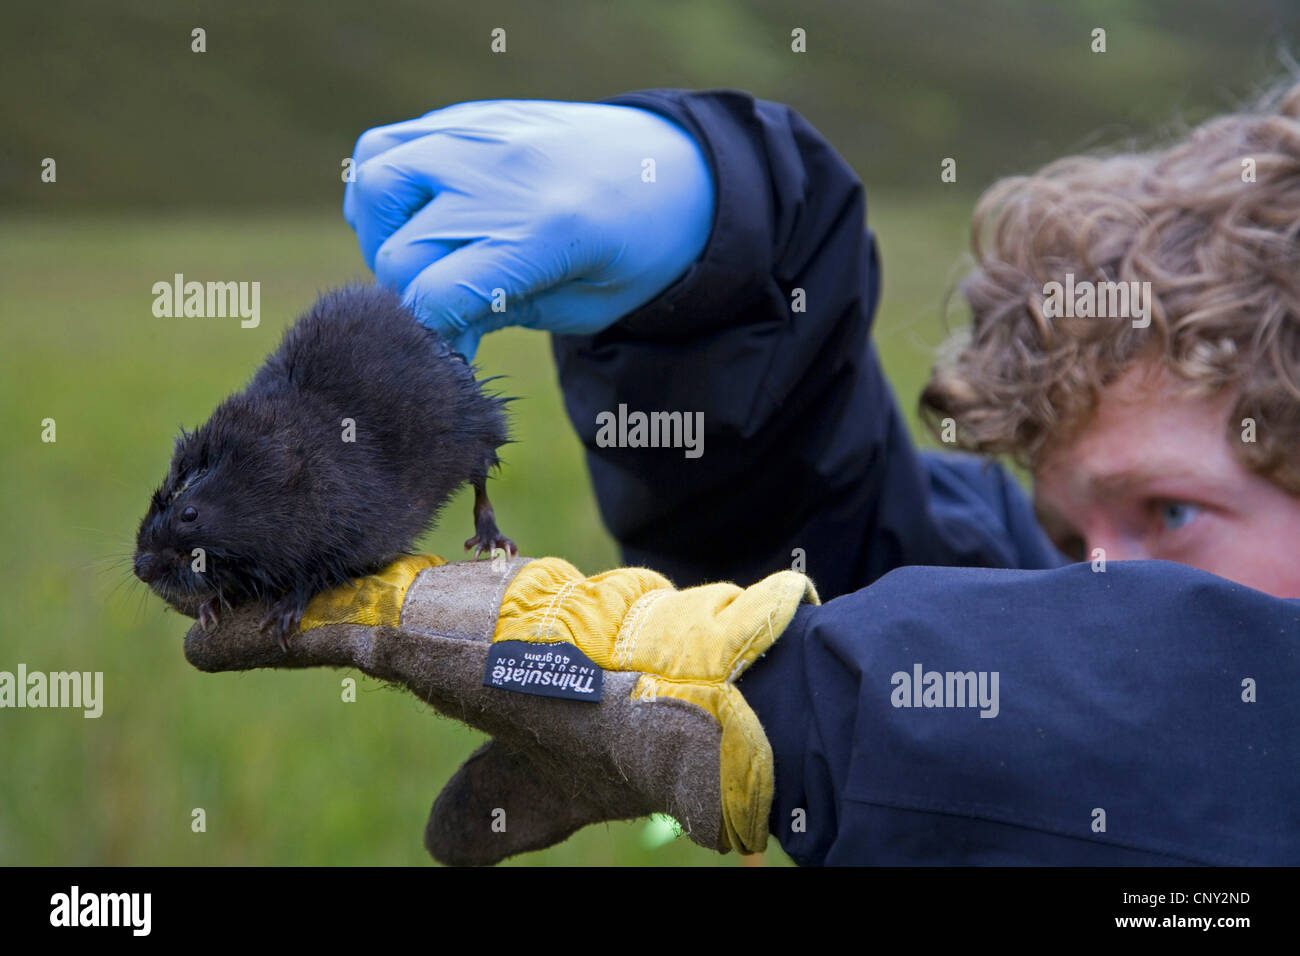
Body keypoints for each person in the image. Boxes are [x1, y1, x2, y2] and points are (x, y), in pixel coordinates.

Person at [190, 87, 1300, 865]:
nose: (1096, 584)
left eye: (1171, 509)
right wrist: (717, 256)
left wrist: (809, 703)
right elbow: (881, 584)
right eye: (1064, 538)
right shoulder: (1054, 613)